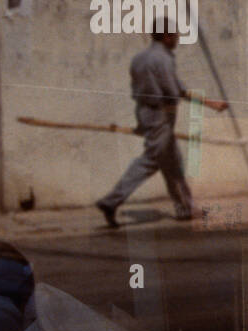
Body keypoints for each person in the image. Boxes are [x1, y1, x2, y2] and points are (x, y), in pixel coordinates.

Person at [96, 28, 228, 227]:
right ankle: (111, 201)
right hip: (160, 115)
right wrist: (206, 103)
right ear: (166, 37)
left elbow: (141, 90)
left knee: (172, 162)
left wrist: (210, 103)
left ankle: (186, 208)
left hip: (145, 112)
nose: (177, 39)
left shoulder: (139, 58)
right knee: (151, 160)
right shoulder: (163, 59)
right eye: (175, 36)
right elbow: (174, 90)